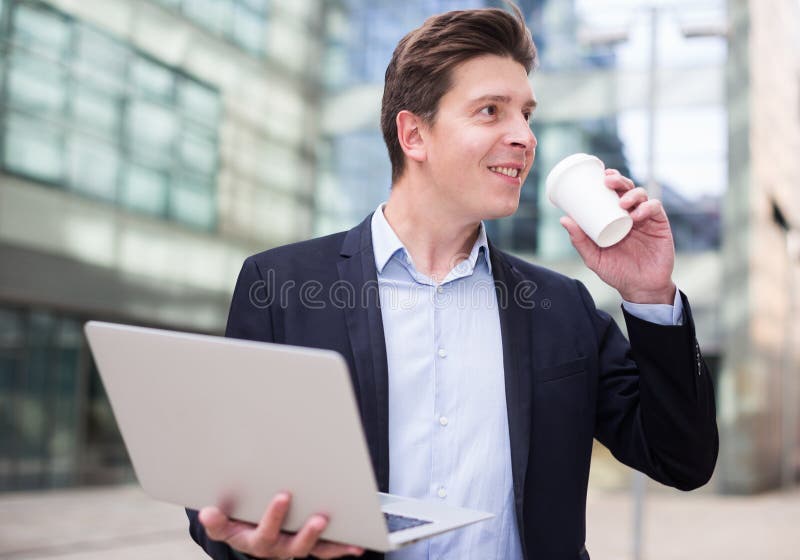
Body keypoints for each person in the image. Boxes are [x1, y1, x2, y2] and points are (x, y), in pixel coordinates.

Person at [187, 4, 718, 560]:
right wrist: (251, 544)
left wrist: (650, 295)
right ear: (414, 135)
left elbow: (682, 459)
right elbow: (217, 499)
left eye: (527, 115)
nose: (524, 137)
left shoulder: (561, 306)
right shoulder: (281, 286)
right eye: (491, 111)